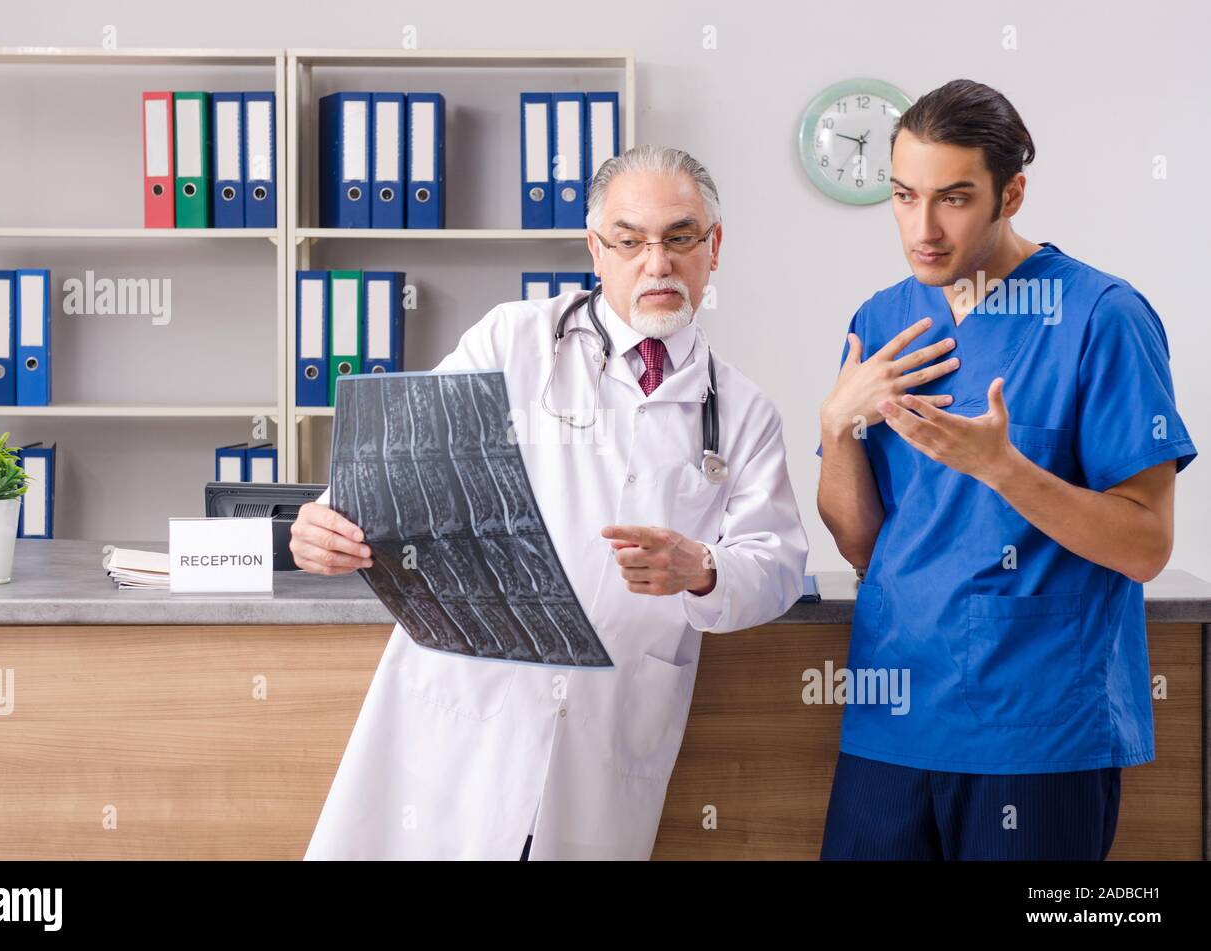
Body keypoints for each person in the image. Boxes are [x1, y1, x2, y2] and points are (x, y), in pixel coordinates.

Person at [295, 144, 809, 860]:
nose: (656, 262)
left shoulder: (745, 411)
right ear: (595, 250)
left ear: (713, 247)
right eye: (629, 241)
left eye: (680, 237)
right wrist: (325, 518)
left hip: (607, 730)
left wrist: (702, 567)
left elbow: (778, 564)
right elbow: (402, 460)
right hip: (466, 711)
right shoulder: (517, 339)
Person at [816, 79, 1198, 860]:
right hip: (894, 710)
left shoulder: (1103, 317)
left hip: (1038, 729)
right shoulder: (881, 321)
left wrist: (1003, 468)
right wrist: (837, 424)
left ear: (1011, 191)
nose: (923, 228)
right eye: (903, 196)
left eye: (954, 199)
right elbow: (862, 544)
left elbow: (1146, 543)